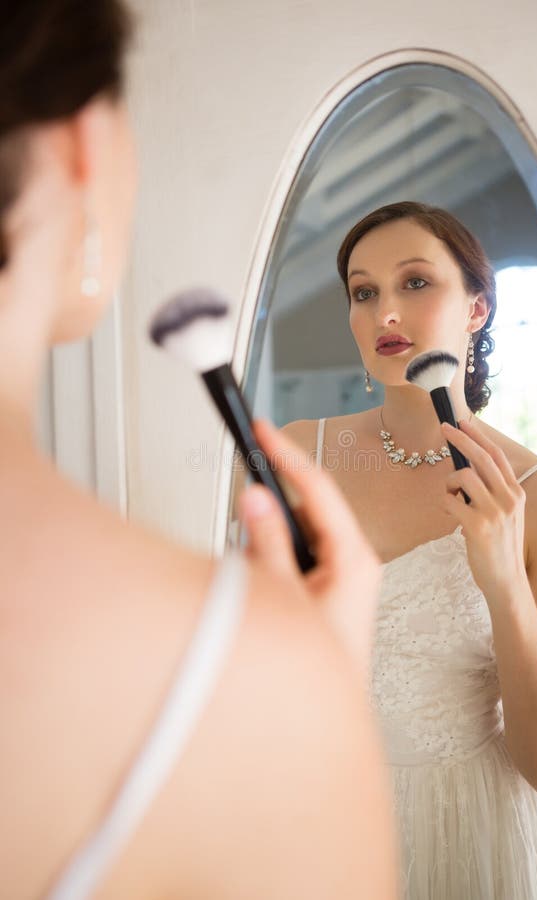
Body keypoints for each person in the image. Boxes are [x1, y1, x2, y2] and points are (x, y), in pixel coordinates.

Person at [0, 3, 398, 898]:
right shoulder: (237, 680)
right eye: (364, 289)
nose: (386, 315)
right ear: (81, 149)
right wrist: (309, 702)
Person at [283, 200, 537, 899]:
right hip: (325, 827)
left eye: (416, 282)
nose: (385, 312)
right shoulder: (301, 453)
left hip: (480, 839)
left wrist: (504, 584)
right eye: (364, 292)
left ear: (478, 309)